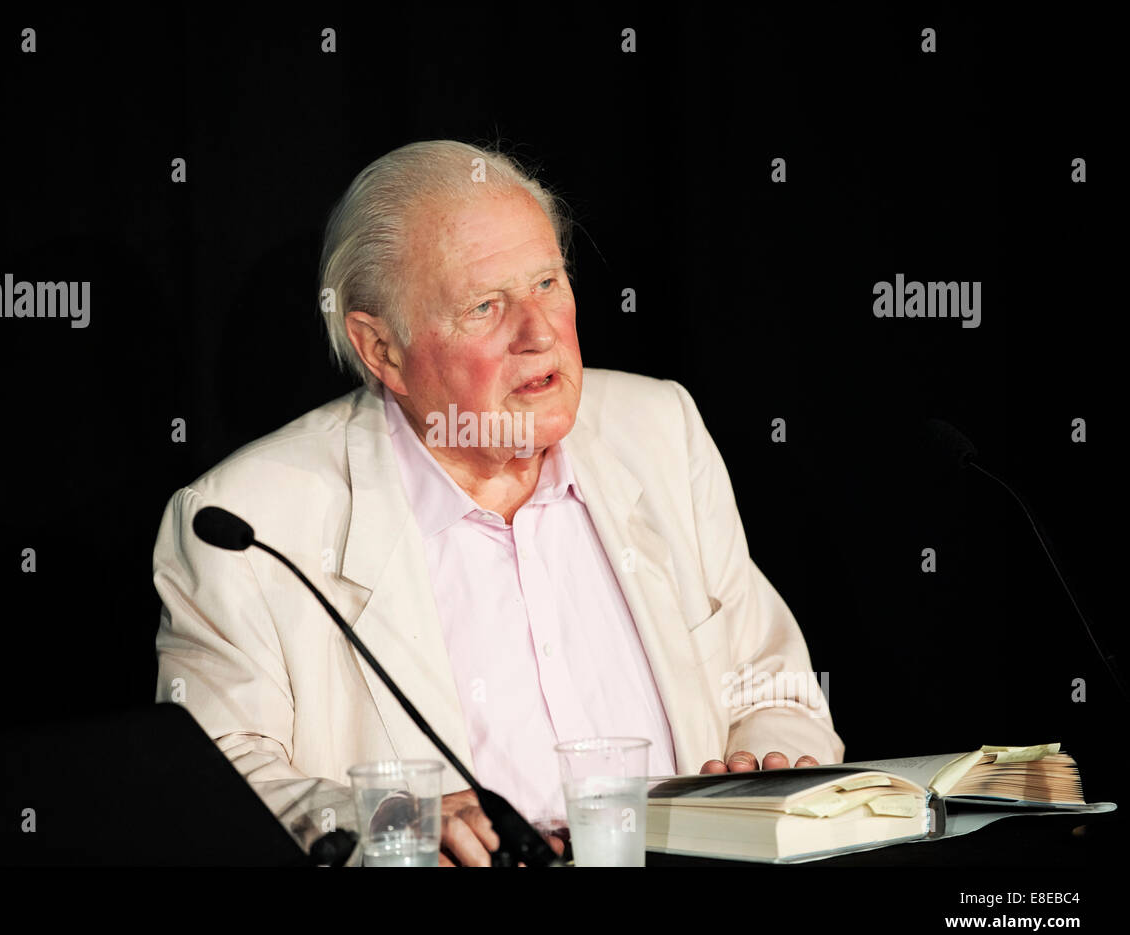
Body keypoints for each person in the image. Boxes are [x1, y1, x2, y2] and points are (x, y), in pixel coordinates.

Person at [152, 139, 843, 866]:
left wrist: (764, 767)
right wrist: (398, 819)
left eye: (547, 282)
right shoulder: (248, 523)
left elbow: (768, 684)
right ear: (382, 349)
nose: (540, 334)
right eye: (484, 306)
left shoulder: (659, 430)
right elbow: (216, 777)